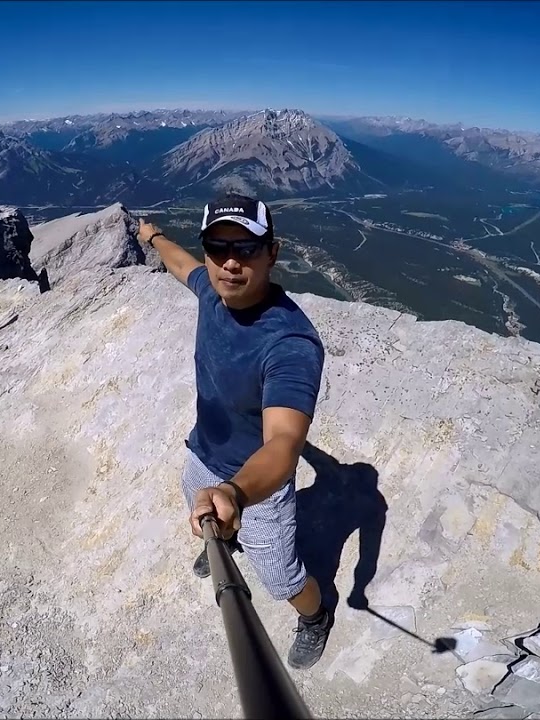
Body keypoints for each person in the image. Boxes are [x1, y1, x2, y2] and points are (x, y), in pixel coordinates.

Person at [136, 194, 333, 670]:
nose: (229, 262)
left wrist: (236, 491)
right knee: (199, 503)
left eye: (245, 249)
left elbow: (284, 445)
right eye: (216, 246)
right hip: (202, 453)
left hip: (254, 488)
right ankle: (220, 542)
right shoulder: (210, 286)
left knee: (282, 579)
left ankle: (316, 617)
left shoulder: (289, 343)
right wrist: (154, 236)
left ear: (273, 252)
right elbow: (182, 264)